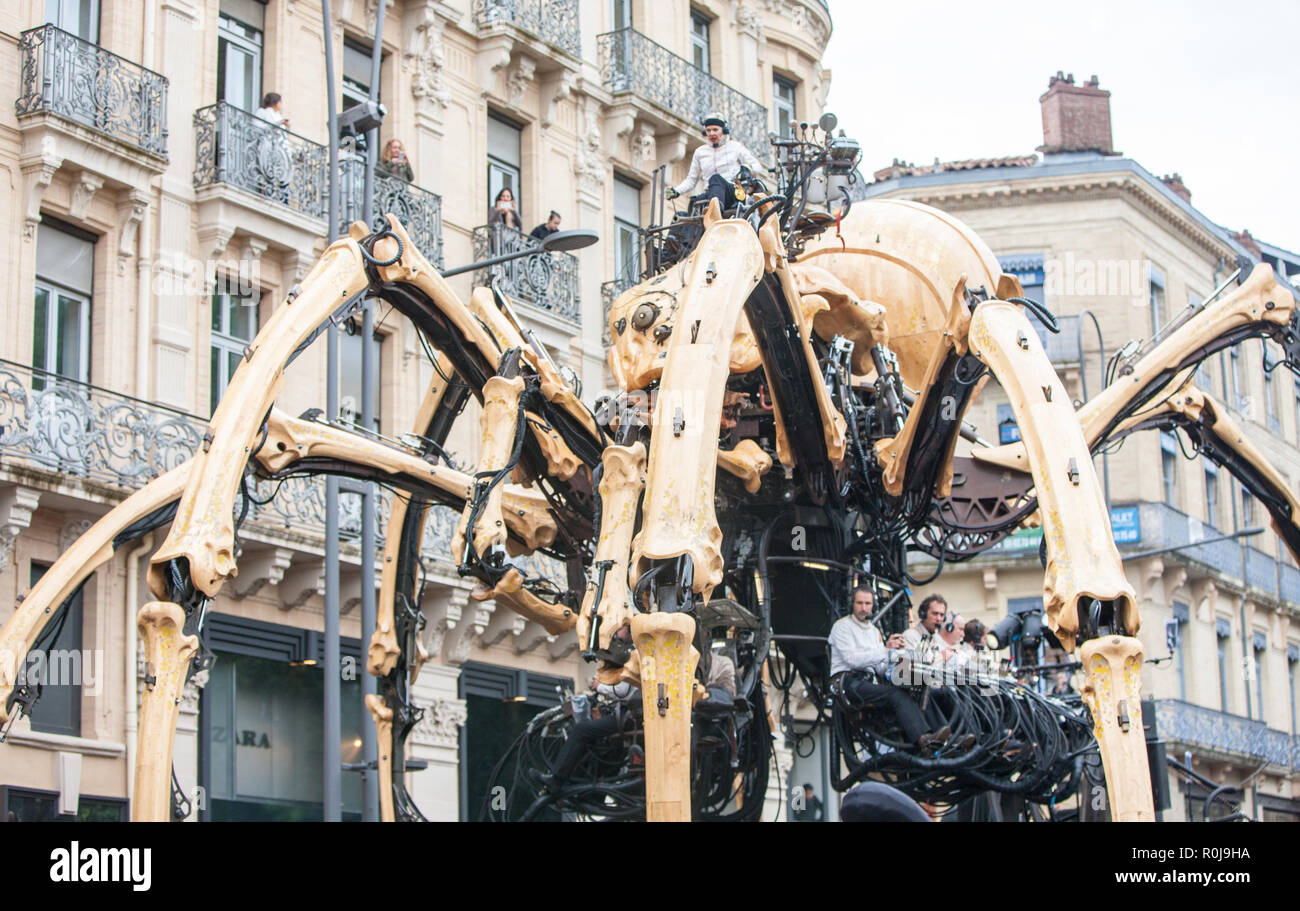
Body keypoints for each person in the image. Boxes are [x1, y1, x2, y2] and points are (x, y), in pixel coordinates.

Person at [828, 586, 949, 749]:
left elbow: (880, 667)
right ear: (852, 604)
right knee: (895, 695)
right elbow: (852, 660)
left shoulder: (873, 631)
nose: (864, 608)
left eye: (867, 604)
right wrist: (885, 649)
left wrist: (897, 658)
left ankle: (945, 736)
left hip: (868, 682)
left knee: (920, 687)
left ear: (873, 605)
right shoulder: (842, 627)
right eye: (860, 603)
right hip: (848, 682)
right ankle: (923, 739)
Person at [542, 624, 638, 788]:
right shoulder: (636, 652)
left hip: (630, 716)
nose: (618, 633)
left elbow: (623, 692)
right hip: (627, 714)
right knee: (594, 736)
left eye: (622, 629)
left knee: (582, 730)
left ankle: (558, 779)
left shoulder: (636, 654)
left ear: (630, 632)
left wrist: (599, 686)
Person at [665, 114, 765, 214]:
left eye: (715, 130)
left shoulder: (735, 147)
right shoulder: (700, 152)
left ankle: (715, 214)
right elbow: (691, 179)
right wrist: (676, 191)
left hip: (732, 192)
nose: (711, 133)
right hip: (711, 193)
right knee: (689, 207)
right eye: (708, 130)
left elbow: (757, 166)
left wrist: (747, 168)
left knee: (716, 178)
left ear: (724, 130)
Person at [904, 593, 952, 665]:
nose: (939, 619)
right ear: (923, 614)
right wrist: (941, 657)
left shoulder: (936, 638)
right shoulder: (910, 636)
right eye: (935, 614)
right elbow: (911, 667)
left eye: (942, 615)